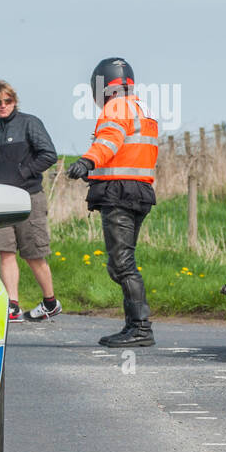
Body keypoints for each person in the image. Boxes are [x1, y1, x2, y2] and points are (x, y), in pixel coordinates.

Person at [66, 57, 158, 347]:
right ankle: (135, 326)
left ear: (102, 85)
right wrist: (97, 173)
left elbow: (109, 140)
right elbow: (128, 154)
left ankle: (140, 329)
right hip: (137, 191)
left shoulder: (115, 107)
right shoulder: (142, 108)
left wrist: (87, 161)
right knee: (120, 263)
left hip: (120, 194)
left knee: (121, 264)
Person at [0, 80, 60, 322]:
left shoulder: (29, 123)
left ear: (14, 101)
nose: (3, 106)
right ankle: (12, 305)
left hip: (28, 197)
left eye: (7, 101)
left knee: (32, 253)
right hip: (0, 200)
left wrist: (23, 172)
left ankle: (50, 302)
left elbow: (49, 154)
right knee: (5, 251)